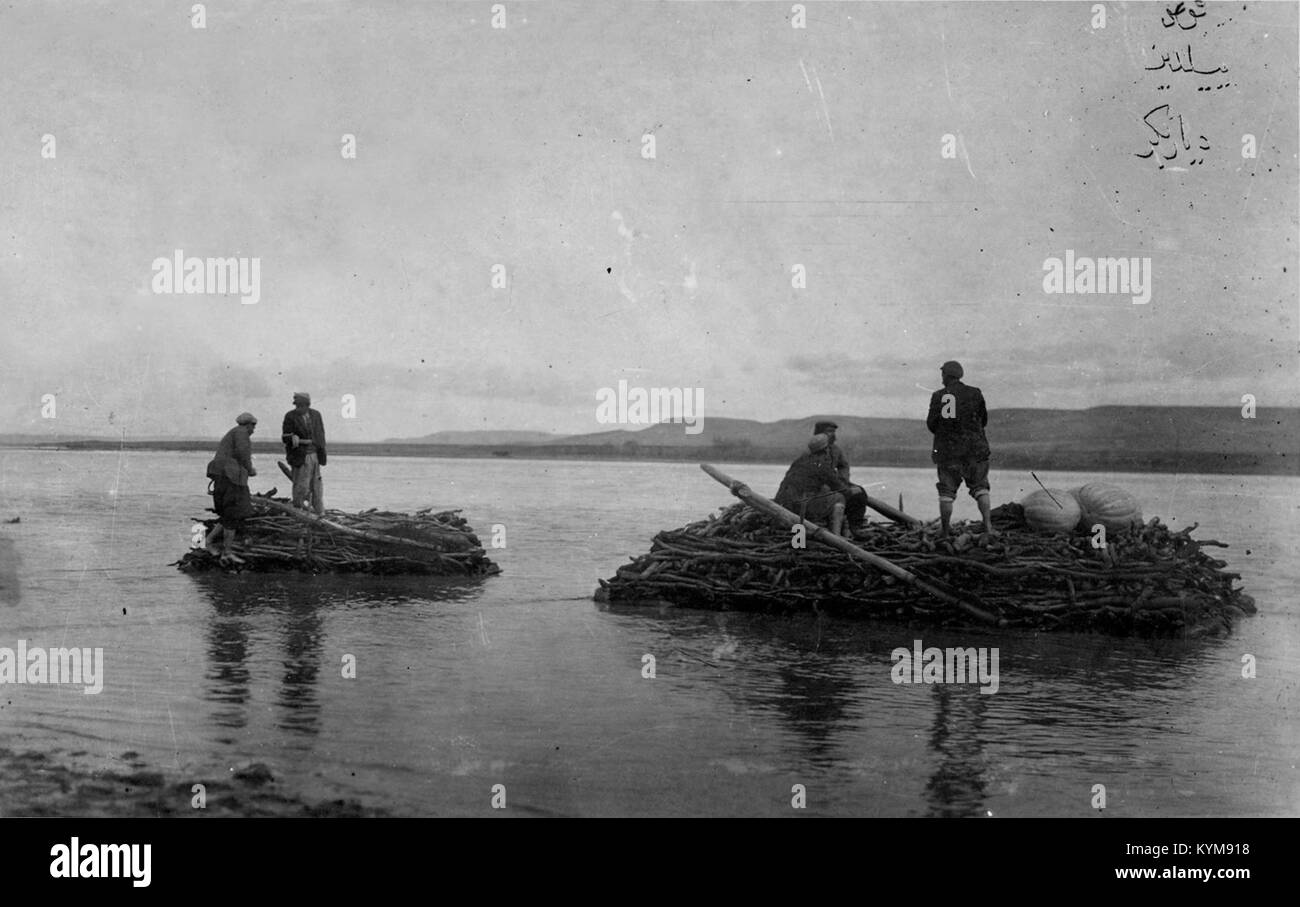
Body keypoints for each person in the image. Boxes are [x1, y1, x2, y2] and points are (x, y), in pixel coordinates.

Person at [926, 361, 996, 538]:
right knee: (980, 487)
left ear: (946, 376)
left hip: (948, 452)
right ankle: (988, 526)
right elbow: (983, 420)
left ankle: (945, 530)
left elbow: (932, 424)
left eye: (943, 375)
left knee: (946, 492)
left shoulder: (938, 396)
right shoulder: (975, 393)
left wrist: (947, 433)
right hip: (975, 450)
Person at [774, 433, 856, 537]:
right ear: (826, 449)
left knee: (824, 493)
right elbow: (839, 487)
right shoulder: (823, 464)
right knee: (839, 497)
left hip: (789, 506)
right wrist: (851, 491)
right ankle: (836, 535)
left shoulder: (799, 461)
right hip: (804, 507)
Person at [204, 412, 258, 563]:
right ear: (249, 425)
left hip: (224, 475)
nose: (254, 430)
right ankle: (227, 552)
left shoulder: (234, 432)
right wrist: (251, 469)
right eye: (253, 426)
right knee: (234, 512)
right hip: (231, 476)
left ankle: (209, 541)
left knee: (229, 513)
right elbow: (243, 454)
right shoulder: (242, 433)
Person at [814, 420, 870, 532]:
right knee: (843, 494)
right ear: (819, 433)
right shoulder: (813, 448)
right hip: (817, 485)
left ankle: (854, 526)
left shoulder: (835, 449)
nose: (832, 434)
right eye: (829, 431)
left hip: (834, 481)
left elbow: (843, 465)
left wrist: (843, 480)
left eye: (833, 431)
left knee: (860, 492)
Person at [282, 392, 327, 514]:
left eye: (301, 406)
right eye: (297, 406)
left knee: (317, 487)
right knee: (301, 487)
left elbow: (321, 435)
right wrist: (293, 437)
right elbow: (285, 437)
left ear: (307, 405)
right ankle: (299, 512)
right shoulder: (290, 416)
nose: (298, 408)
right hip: (299, 457)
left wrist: (318, 450)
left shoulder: (316, 415)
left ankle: (320, 513)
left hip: (315, 456)